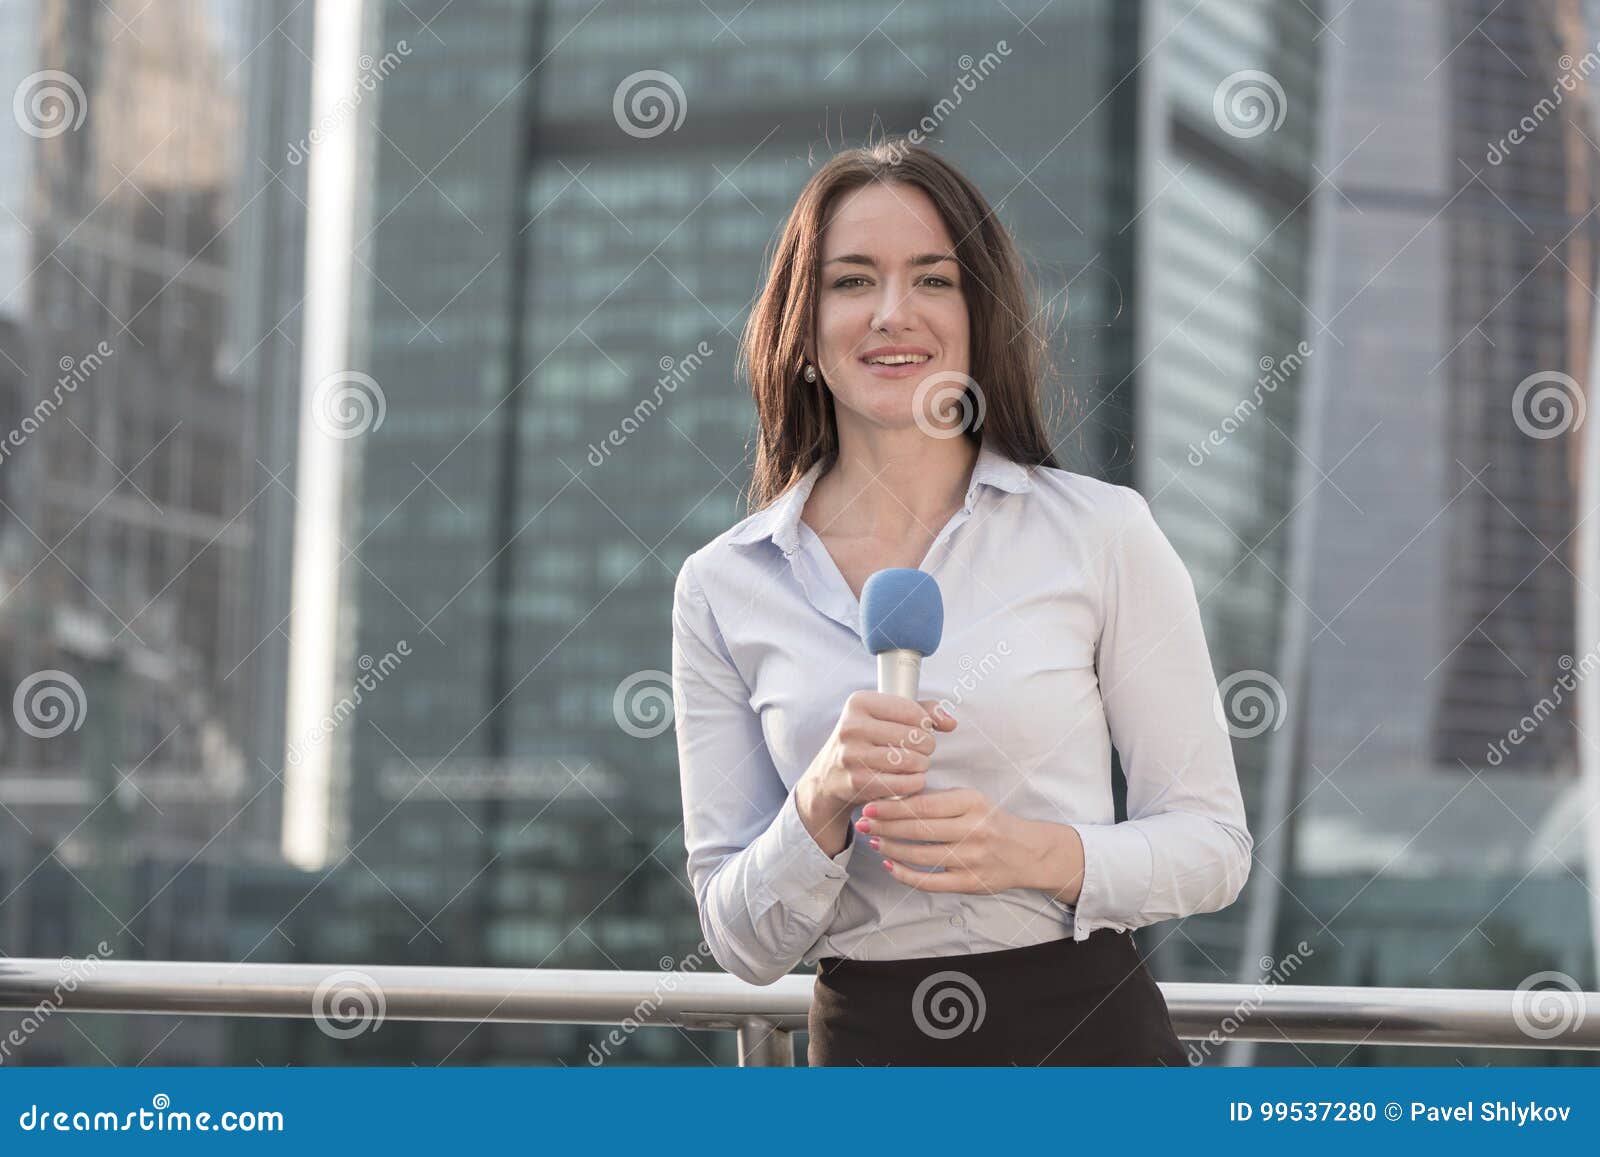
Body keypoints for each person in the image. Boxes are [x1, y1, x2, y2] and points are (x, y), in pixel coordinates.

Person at [670, 140, 1252, 1066]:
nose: (893, 313)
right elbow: (740, 940)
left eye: (932, 281)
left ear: (979, 316)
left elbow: (1215, 845)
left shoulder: (1100, 532)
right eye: (852, 281)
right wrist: (820, 798)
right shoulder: (723, 584)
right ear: (805, 329)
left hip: (1088, 1043)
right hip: (867, 1055)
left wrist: (1035, 853)